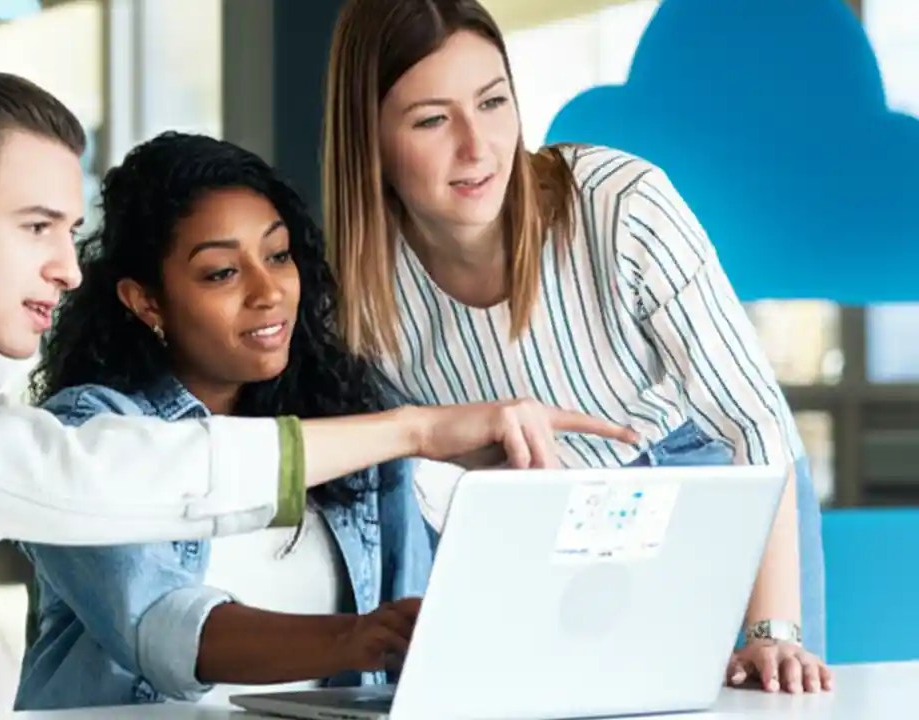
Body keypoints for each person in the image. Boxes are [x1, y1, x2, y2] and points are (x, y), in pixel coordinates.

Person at [0, 72, 634, 720]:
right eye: (34, 227)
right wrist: (413, 428)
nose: (61, 267)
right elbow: (67, 480)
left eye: (67, 233)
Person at [320, 0, 831, 695]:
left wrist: (773, 633)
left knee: (768, 700)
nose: (478, 146)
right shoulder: (357, 295)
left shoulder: (620, 204)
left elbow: (753, 425)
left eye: (493, 101)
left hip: (719, 493)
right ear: (369, 138)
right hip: (549, 532)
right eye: (432, 119)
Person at [15, 132, 454, 710]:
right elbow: (163, 624)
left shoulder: (354, 416)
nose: (268, 291)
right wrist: (354, 639)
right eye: (222, 272)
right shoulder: (86, 433)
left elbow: (426, 610)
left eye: (277, 255)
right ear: (146, 301)